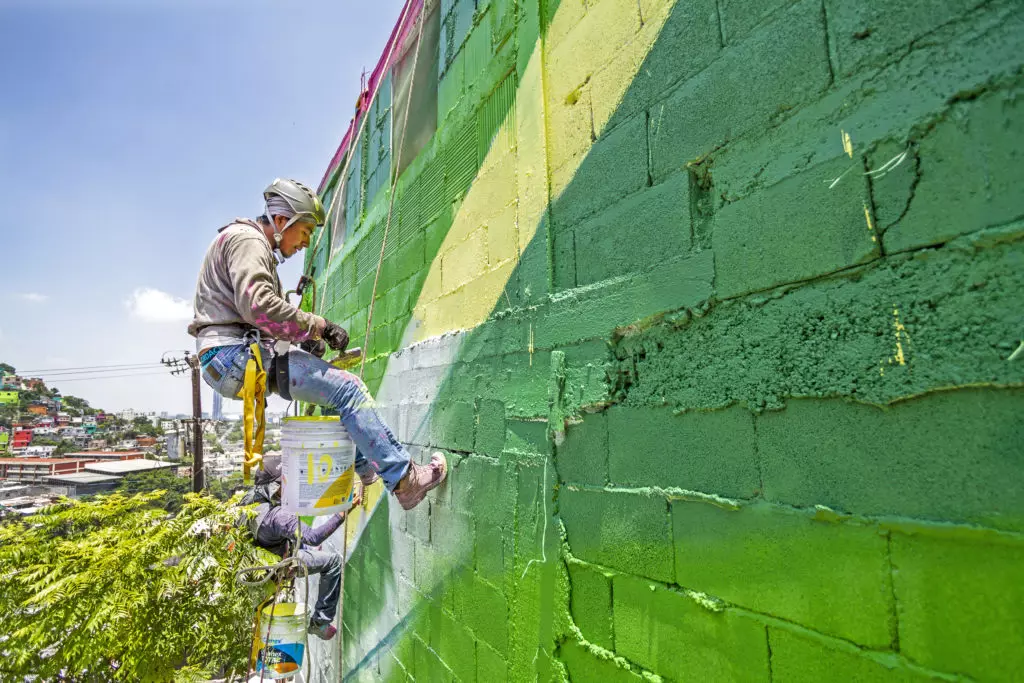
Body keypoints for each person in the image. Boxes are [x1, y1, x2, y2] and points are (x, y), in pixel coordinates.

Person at [188, 178, 447, 513]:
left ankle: (366, 468)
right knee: (349, 391)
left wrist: (303, 342)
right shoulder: (248, 240)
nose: (305, 242)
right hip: (234, 355)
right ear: (282, 221)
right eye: (305, 231)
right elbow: (259, 305)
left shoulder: (246, 244)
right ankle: (405, 480)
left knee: (331, 395)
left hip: (231, 357)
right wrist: (318, 327)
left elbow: (258, 315)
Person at [239, 456, 355, 640]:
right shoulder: (278, 516)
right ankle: (320, 622)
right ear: (273, 486)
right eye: (284, 481)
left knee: (296, 537)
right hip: (281, 565)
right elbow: (313, 537)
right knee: (332, 562)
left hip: (261, 559)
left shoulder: (250, 500)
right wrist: (341, 514)